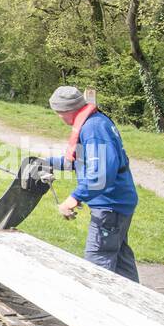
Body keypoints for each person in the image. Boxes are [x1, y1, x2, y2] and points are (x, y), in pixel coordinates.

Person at [47, 84, 140, 282]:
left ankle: (98, 308)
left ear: (65, 111)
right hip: (118, 203)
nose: (59, 117)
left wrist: (74, 198)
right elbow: (78, 161)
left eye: (58, 113)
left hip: (110, 206)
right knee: (120, 258)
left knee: (98, 261)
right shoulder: (93, 122)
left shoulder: (93, 129)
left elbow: (102, 174)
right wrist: (44, 162)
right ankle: (138, 307)